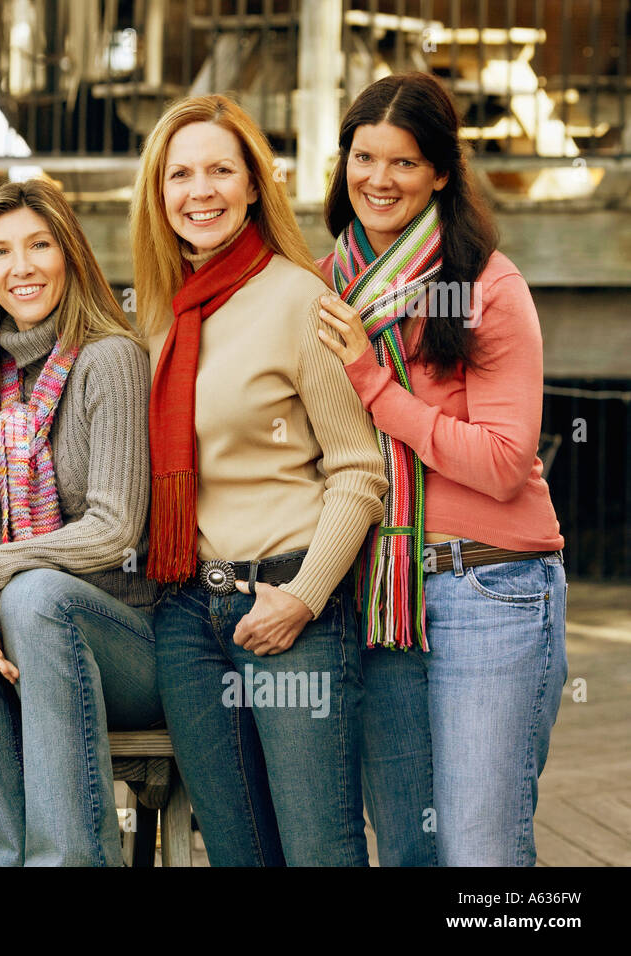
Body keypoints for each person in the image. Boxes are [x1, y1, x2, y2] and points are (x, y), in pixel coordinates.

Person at [315, 72, 566, 867]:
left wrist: (374, 384)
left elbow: (502, 463)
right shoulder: (327, 288)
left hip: (489, 587)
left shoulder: (485, 286)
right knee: (410, 850)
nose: (378, 180)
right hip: (381, 600)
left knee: (479, 853)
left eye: (404, 163)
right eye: (364, 158)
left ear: (441, 175)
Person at [129, 95, 388, 866]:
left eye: (219, 170)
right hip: (188, 618)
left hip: (291, 609)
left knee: (318, 850)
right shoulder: (160, 314)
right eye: (180, 174)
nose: (198, 190)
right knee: (239, 853)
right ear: (159, 192)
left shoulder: (298, 298)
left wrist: (304, 597)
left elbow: (358, 470)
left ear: (253, 185)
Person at [0, 179, 160, 867]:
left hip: (128, 641)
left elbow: (114, 528)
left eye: (39, 245)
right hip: (29, 635)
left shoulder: (111, 358)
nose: (20, 267)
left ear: (71, 255)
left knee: (33, 593)